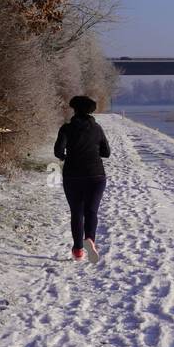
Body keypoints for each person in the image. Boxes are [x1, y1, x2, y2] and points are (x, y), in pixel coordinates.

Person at [54, 95, 110, 263]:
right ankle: (90, 239)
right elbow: (106, 153)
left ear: (74, 110)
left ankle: (78, 250)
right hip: (96, 175)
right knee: (91, 211)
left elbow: (58, 151)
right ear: (91, 111)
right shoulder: (97, 128)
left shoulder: (66, 128)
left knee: (77, 212)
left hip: (73, 175)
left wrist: (66, 156)